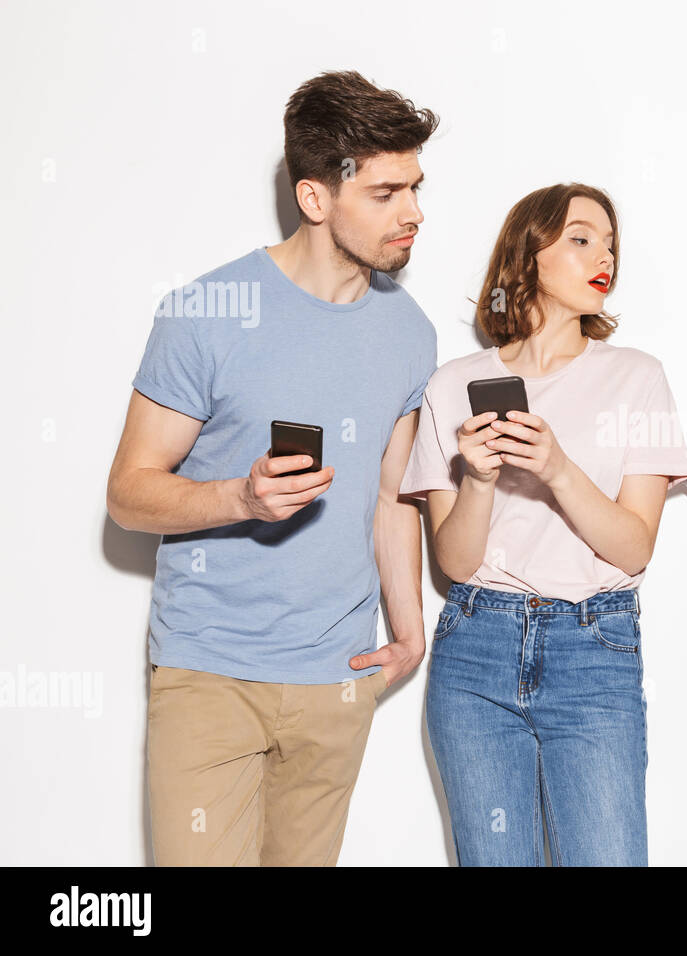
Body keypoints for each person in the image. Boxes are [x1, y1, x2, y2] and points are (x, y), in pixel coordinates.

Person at [105, 70, 439, 866]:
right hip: (210, 673)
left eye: (418, 187)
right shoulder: (204, 313)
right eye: (388, 192)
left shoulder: (410, 332)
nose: (415, 212)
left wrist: (410, 625)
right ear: (316, 198)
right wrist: (239, 497)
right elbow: (126, 495)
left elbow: (390, 494)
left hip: (338, 678)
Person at [399, 183, 687, 866]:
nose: (605, 258)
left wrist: (558, 467)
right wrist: (477, 478)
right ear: (529, 254)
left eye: (611, 245)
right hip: (476, 646)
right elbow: (457, 564)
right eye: (583, 239)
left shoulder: (637, 377)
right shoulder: (452, 386)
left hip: (595, 646)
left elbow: (633, 546)